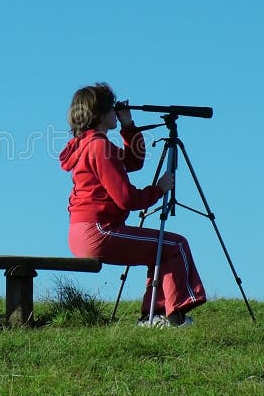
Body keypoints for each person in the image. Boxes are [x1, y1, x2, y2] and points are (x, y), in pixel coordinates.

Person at [59, 82, 207, 327]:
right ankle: (168, 317)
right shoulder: (99, 146)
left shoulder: (89, 143)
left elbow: (132, 162)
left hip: (81, 232)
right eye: (111, 109)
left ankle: (156, 315)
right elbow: (126, 198)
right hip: (99, 231)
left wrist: (128, 126)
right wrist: (158, 190)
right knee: (175, 245)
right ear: (101, 114)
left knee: (162, 247)